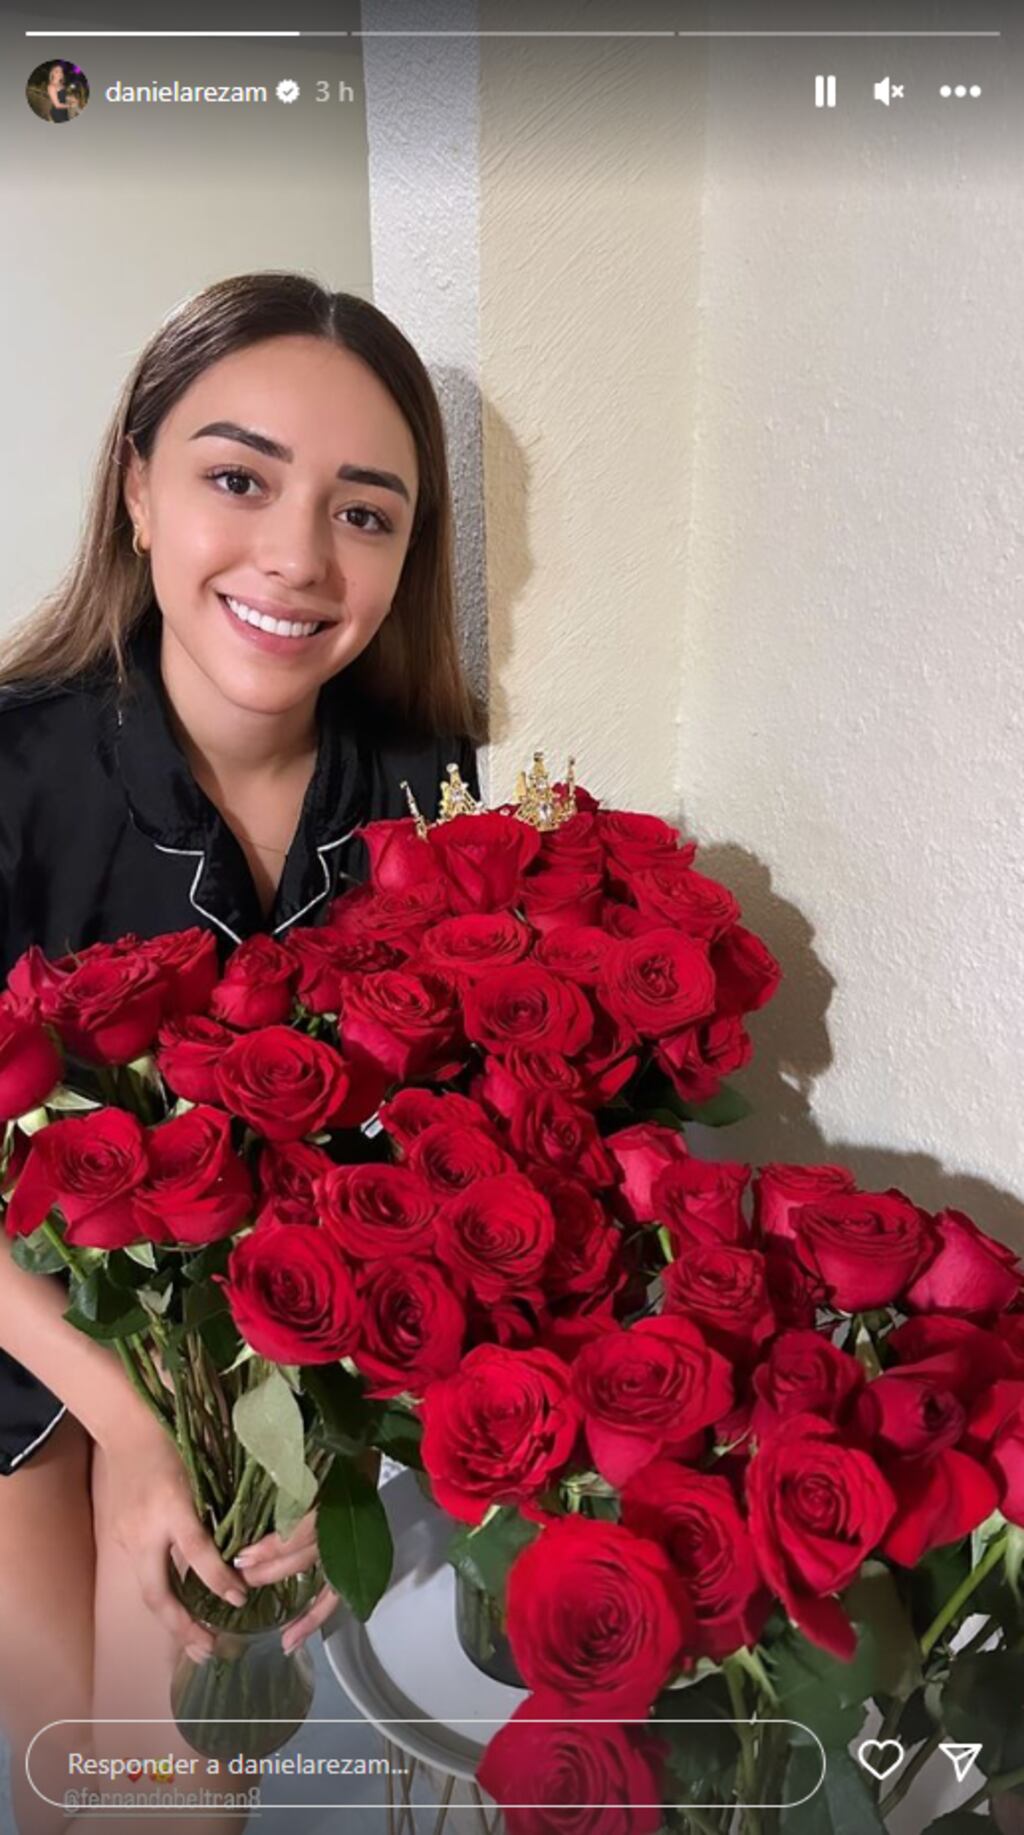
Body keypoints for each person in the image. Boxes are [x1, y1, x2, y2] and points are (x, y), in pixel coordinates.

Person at [0, 270, 486, 1835]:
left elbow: (447, 1148)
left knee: (164, 1783)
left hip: (247, 1361)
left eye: (364, 512)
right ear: (137, 489)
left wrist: (342, 1451)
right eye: (237, 479)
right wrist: (126, 1424)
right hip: (21, 1333)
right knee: (66, 1769)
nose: (297, 555)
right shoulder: (16, 769)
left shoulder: (430, 791)